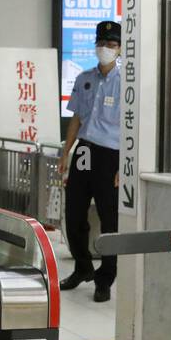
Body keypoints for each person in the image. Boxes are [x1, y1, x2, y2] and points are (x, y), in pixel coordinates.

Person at [60, 20, 121, 303]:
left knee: (110, 217)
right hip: (84, 151)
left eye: (110, 45)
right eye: (101, 44)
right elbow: (76, 118)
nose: (105, 49)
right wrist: (66, 152)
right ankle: (82, 266)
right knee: (74, 212)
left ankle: (105, 277)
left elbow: (133, 128)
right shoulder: (85, 78)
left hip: (112, 155)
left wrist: (125, 166)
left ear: (119, 49)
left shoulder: (126, 83)